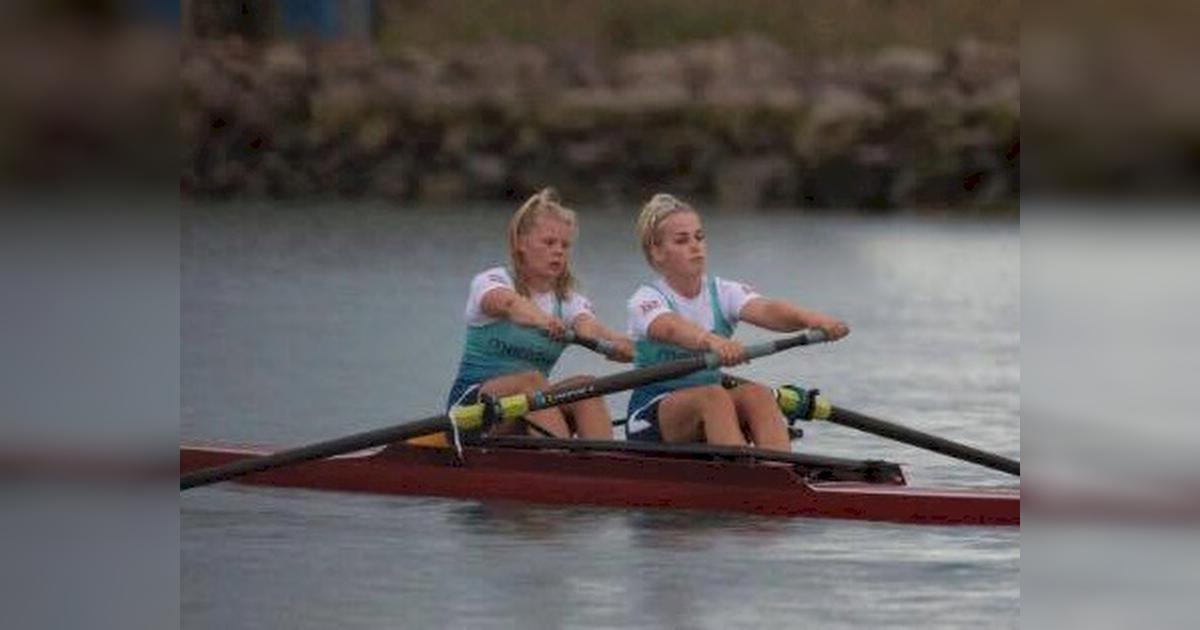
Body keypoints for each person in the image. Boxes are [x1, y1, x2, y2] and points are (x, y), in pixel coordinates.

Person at [625, 193, 849, 451]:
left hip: (711, 405)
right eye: (682, 240)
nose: (695, 246)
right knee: (713, 396)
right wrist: (712, 341)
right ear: (657, 251)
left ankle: (779, 468)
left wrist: (814, 319)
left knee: (758, 394)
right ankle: (743, 469)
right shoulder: (645, 299)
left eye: (699, 237)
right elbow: (669, 327)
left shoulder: (723, 292)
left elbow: (768, 310)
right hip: (651, 414)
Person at [445, 188, 633, 440]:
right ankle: (561, 457)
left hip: (527, 413)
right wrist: (543, 321)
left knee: (586, 387)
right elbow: (511, 305)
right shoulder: (492, 281)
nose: (559, 251)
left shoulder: (570, 302)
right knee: (531, 381)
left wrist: (637, 351)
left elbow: (592, 331)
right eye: (549, 242)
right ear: (521, 243)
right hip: (470, 414)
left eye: (565, 245)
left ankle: (603, 461)